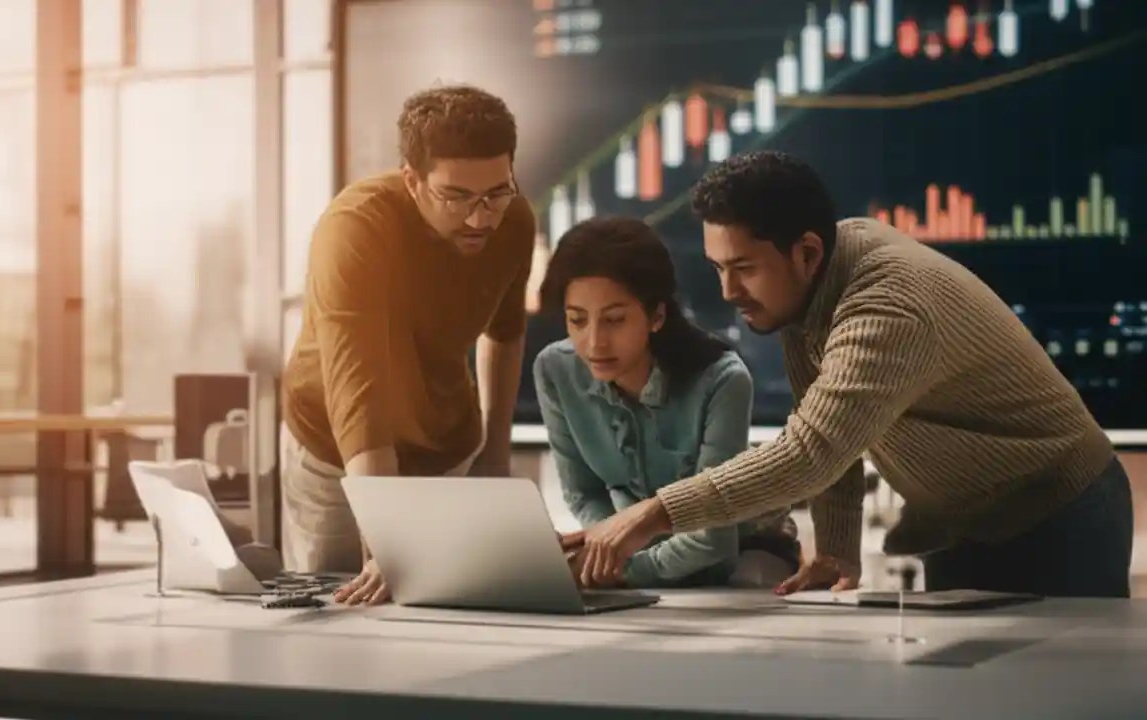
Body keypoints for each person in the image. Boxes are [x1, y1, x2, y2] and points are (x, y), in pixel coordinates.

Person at [569, 150, 1133, 599]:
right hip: (966, 523)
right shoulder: (808, 289)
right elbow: (832, 436)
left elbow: (810, 451)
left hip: (1060, 515)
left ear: (807, 252)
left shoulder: (887, 304)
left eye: (744, 269)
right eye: (719, 269)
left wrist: (652, 514)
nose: (728, 291)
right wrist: (837, 550)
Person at [281, 85, 535, 605]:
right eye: (457, 197)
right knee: (336, 611)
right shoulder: (355, 228)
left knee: (444, 609)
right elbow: (359, 394)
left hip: (443, 445)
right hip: (336, 448)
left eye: (497, 192)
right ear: (412, 181)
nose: (481, 217)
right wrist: (387, 541)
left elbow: (505, 333)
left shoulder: (513, 220)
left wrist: (495, 453)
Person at [534, 217, 800, 589]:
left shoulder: (723, 380)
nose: (593, 343)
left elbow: (714, 538)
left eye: (614, 320)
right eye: (577, 320)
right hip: (638, 555)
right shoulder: (555, 369)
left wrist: (618, 569)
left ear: (656, 316)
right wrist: (603, 553)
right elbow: (584, 493)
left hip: (743, 553)